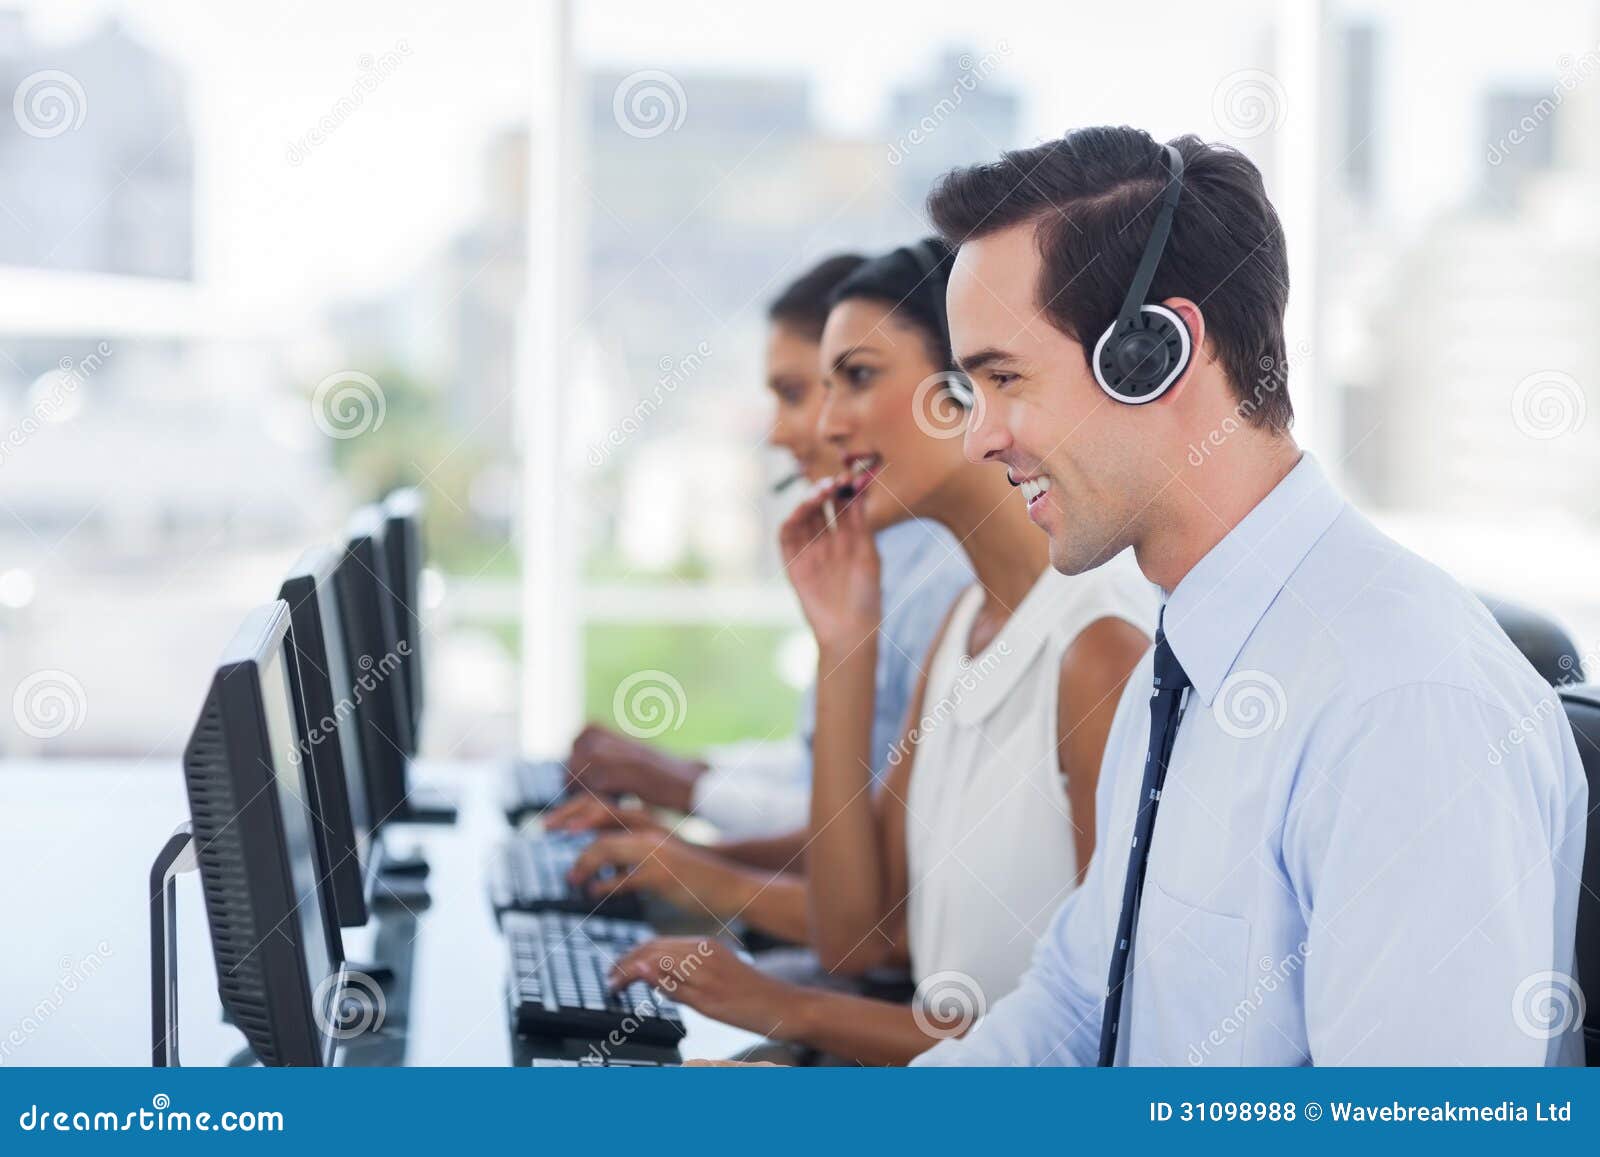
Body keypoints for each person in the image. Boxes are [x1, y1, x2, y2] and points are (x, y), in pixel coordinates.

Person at [900, 126, 1588, 1066]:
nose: (978, 439)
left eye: (1005, 378)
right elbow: (1072, 1009)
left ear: (1151, 353)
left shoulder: (1402, 705)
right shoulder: (1185, 655)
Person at [603, 241, 1154, 1065]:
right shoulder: (966, 622)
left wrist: (788, 1009)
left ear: (967, 382)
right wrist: (844, 642)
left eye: (858, 378)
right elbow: (858, 934)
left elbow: (1094, 1043)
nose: (828, 425)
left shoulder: (1101, 648)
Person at [553, 255, 972, 842]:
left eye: (804, 391)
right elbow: (829, 787)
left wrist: (685, 823)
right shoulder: (886, 561)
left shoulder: (949, 584)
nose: (803, 430)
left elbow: (875, 854)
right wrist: (686, 787)